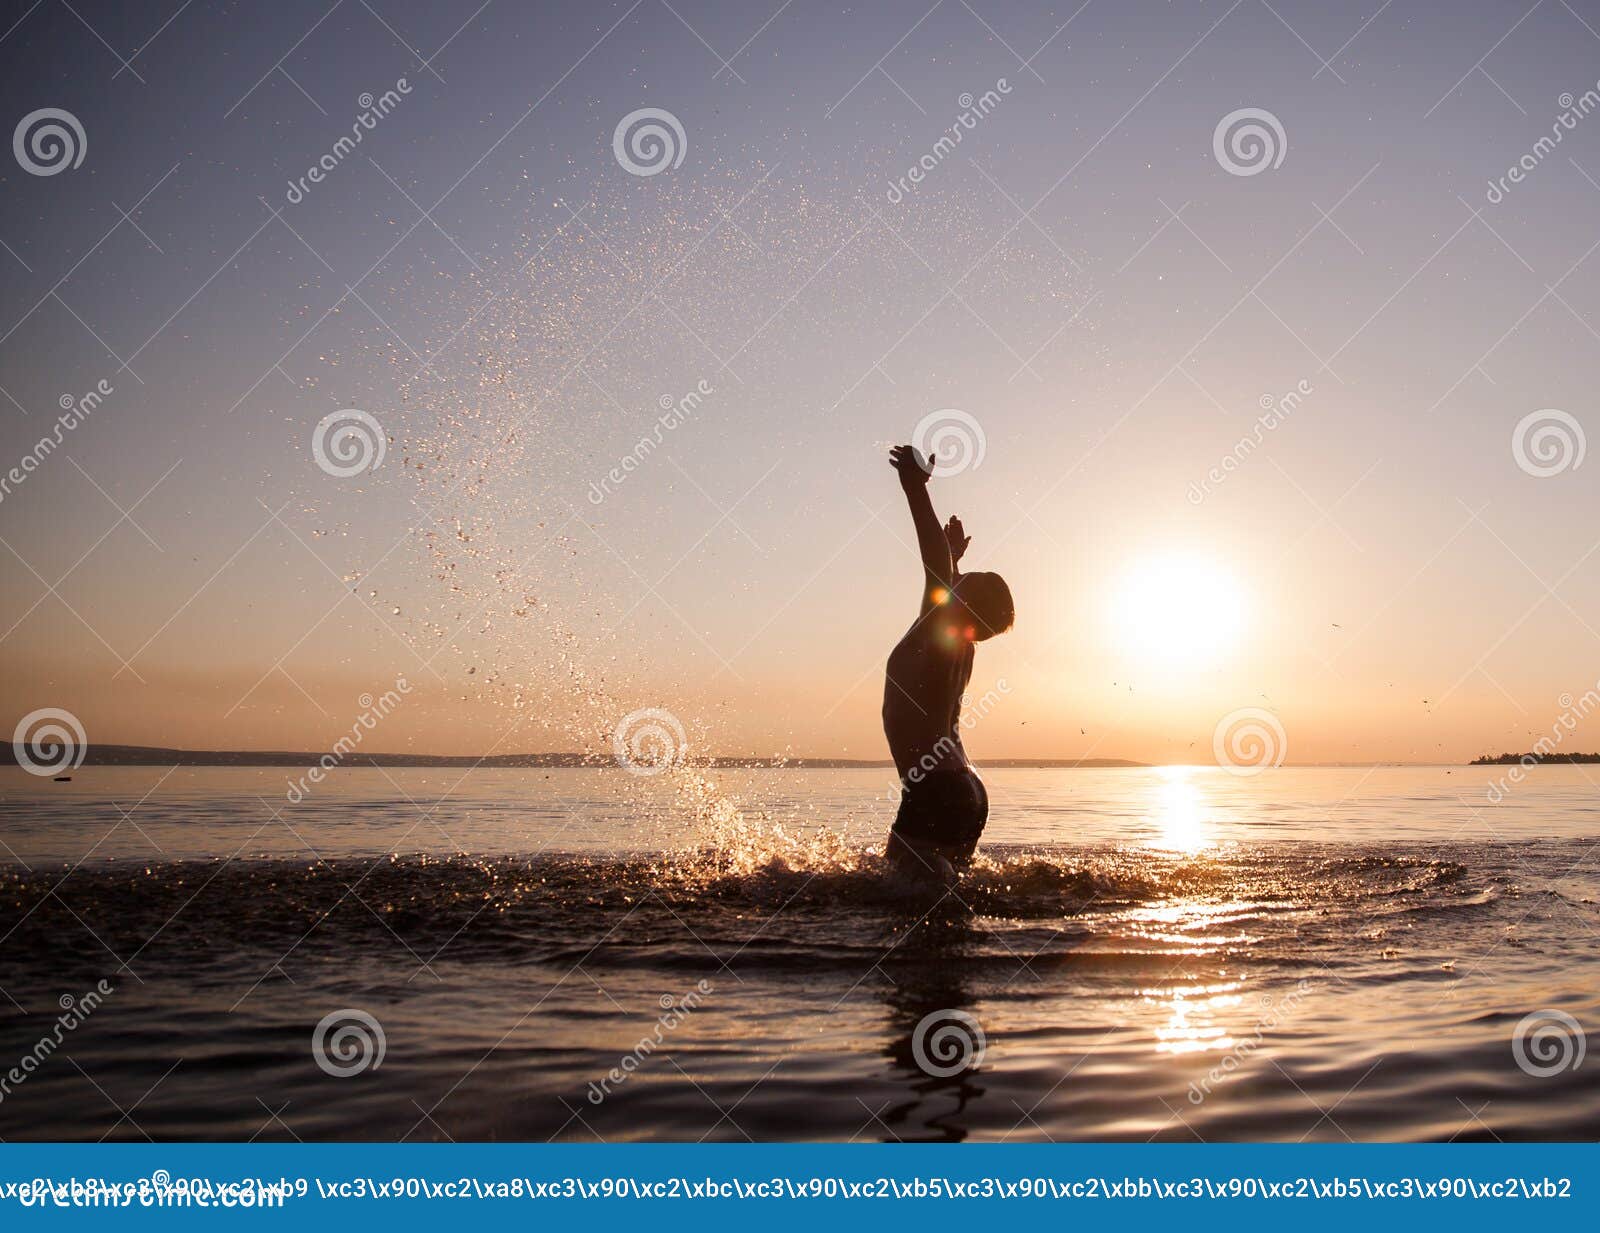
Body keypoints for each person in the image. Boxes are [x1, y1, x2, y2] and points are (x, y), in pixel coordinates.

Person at [883, 444, 1014, 883]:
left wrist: (915, 488)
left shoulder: (936, 627)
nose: (958, 578)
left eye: (966, 581)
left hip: (934, 787)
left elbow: (936, 569)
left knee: (900, 900)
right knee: (946, 900)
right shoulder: (960, 646)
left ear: (962, 601)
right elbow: (946, 578)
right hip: (967, 790)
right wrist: (954, 559)